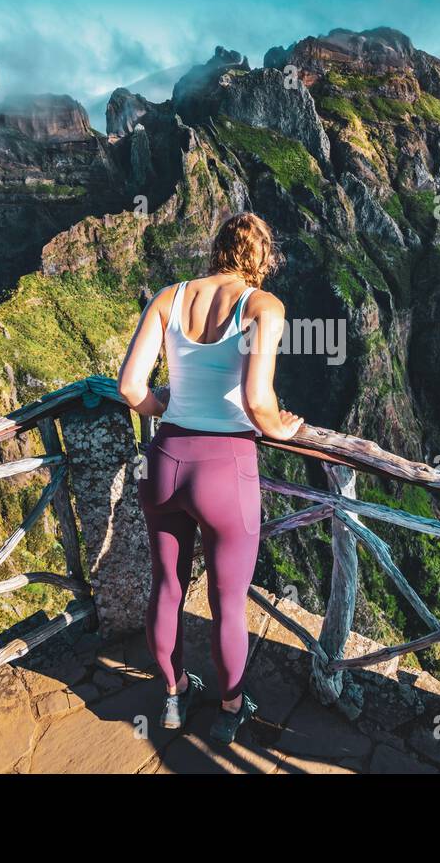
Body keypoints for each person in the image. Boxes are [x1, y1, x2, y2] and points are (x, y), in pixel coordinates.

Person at [117, 211, 304, 745]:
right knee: (228, 602)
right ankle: (230, 709)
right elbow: (258, 400)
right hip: (226, 468)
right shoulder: (264, 307)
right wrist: (281, 430)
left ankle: (174, 697)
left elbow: (130, 388)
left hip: (165, 458)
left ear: (218, 249)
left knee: (167, 587)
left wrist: (164, 405)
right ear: (262, 257)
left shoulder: (168, 297)